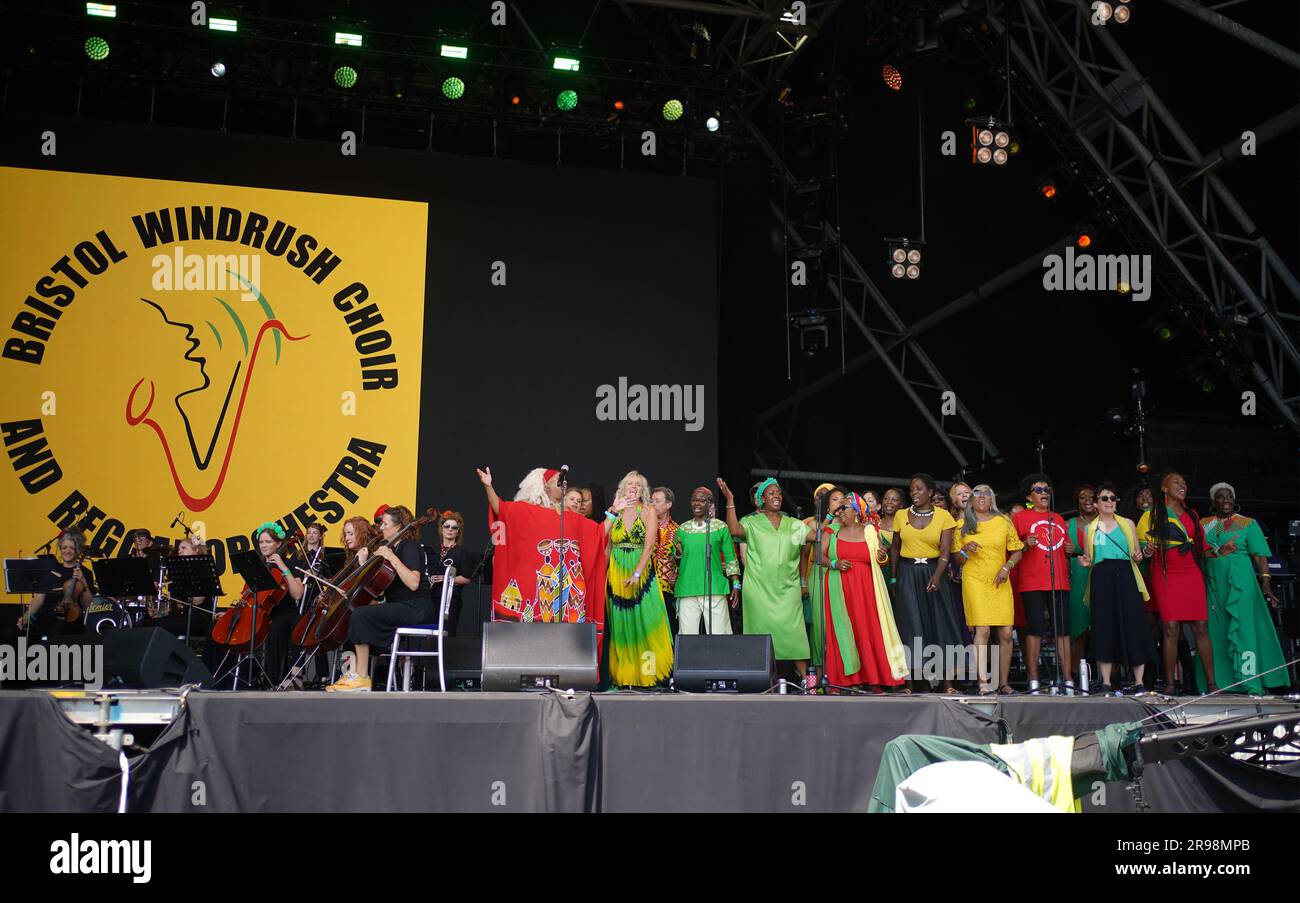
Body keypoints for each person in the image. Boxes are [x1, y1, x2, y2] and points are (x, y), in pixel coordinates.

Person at [477, 466, 608, 631]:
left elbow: (597, 533)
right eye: (559, 480)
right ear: (545, 484)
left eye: (565, 481)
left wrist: (614, 512)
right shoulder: (527, 509)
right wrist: (488, 486)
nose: (564, 483)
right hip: (531, 580)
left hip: (562, 584)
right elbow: (501, 509)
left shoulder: (570, 517)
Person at [718, 477, 814, 681]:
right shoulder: (751, 523)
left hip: (788, 590)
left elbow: (817, 536)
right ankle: (761, 680)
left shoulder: (793, 524)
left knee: (794, 635)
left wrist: (831, 517)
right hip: (759, 590)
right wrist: (730, 500)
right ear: (761, 500)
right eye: (771, 493)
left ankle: (808, 681)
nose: (777, 496)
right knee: (762, 637)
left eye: (778, 493)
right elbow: (734, 530)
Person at [327, 506, 430, 693]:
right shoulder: (394, 548)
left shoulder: (409, 547)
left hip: (415, 607)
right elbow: (380, 592)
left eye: (385, 524)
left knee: (360, 615)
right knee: (354, 614)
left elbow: (414, 583)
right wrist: (363, 565)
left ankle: (362, 678)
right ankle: (353, 674)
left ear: (398, 527)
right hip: (399, 605)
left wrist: (391, 557)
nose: (381, 528)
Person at [1198, 483, 1288, 695]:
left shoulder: (1247, 523)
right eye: (1221, 497)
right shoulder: (1206, 524)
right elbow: (1201, 552)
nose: (1226, 500)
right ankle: (1220, 683)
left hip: (1242, 583)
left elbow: (1260, 556)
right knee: (1217, 632)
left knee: (1244, 630)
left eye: (1230, 496)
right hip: (1214, 584)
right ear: (1213, 502)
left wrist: (1265, 584)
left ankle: (1249, 681)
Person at [1137, 471, 1218, 695]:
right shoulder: (1152, 514)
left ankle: (1212, 685)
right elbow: (1142, 547)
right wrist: (1148, 549)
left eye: (1184, 482)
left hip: (1191, 572)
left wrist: (1219, 552)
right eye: (1176, 482)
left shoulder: (1192, 514)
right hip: (1166, 574)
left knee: (1200, 626)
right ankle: (1171, 684)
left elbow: (1201, 548)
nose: (1182, 485)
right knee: (1171, 628)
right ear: (1164, 488)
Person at [818, 493, 907, 691]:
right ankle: (843, 681)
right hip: (839, 587)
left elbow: (880, 560)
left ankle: (875, 679)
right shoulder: (831, 531)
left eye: (845, 508)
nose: (840, 512)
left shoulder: (870, 531)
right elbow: (818, 557)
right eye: (839, 509)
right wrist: (834, 563)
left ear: (857, 512)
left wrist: (882, 555)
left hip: (866, 589)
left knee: (868, 629)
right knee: (843, 632)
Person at [889, 474, 964, 693]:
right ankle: (910, 684)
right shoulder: (901, 515)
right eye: (912, 489)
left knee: (941, 623)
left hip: (934, 571)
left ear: (930, 492)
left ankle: (948, 684)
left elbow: (945, 551)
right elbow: (895, 547)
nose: (914, 493)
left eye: (919, 489)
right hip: (907, 572)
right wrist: (893, 577)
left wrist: (938, 576)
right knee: (910, 626)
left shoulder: (943, 516)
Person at [603, 471, 673, 687]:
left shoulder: (648, 510)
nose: (633, 487)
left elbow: (650, 545)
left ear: (643, 491)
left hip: (640, 573)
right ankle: (625, 678)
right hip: (616, 573)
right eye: (629, 484)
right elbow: (605, 545)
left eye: (638, 485)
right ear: (622, 488)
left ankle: (648, 676)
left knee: (645, 625)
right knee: (621, 629)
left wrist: (637, 573)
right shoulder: (615, 511)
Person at [1078, 483, 1150, 693]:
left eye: (1113, 498)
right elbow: (1090, 559)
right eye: (1105, 498)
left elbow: (1136, 553)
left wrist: (1139, 555)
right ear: (1097, 504)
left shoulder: (1128, 523)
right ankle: (1107, 682)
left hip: (1126, 575)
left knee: (1133, 624)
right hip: (1102, 577)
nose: (1110, 501)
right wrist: (1085, 562)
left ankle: (1139, 682)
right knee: (1103, 626)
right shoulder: (1090, 528)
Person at [955, 485, 1023, 695]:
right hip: (974, 579)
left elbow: (1017, 551)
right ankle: (983, 682)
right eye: (977, 493)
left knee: (1005, 633)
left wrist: (1007, 567)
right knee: (982, 630)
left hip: (1000, 580)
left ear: (991, 499)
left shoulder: (1003, 521)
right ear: (971, 500)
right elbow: (957, 560)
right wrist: (965, 550)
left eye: (986, 494)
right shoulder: (961, 524)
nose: (981, 496)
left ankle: (1003, 683)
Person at [1012, 474, 1075, 694]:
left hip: (1058, 580)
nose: (1044, 493)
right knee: (1035, 630)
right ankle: (1034, 680)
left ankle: (1067, 680)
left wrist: (1070, 550)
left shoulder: (1057, 518)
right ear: (1029, 496)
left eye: (1046, 489)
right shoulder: (1020, 518)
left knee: (1062, 630)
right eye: (1038, 490)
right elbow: (1011, 550)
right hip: (1032, 581)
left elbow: (1064, 546)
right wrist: (1023, 544)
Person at [673, 486, 740, 635]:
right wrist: (677, 555)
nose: (697, 503)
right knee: (687, 635)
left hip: (714, 587)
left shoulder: (720, 527)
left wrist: (736, 584)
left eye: (702, 500)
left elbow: (730, 558)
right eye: (694, 500)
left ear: (710, 504)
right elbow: (676, 562)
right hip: (687, 587)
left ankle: (721, 659)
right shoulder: (682, 529)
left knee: (719, 634)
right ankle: (690, 660)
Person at [253, 522, 306, 687]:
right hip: (261, 611)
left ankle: (274, 678)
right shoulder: (257, 565)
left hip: (285, 612)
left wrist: (283, 567)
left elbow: (297, 594)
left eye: (268, 542)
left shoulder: (289, 564)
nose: (264, 545)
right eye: (261, 542)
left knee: (277, 625)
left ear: (278, 544)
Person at [803, 484, 846, 669]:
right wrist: (803, 582)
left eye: (842, 499)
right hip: (819, 575)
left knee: (840, 622)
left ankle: (841, 670)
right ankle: (819, 671)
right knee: (819, 625)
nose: (839, 503)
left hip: (841, 575)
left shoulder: (848, 524)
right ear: (827, 504)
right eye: (835, 499)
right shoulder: (812, 524)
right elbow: (811, 545)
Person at [20, 531, 93, 639]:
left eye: (72, 548)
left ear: (77, 550)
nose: (67, 551)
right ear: (60, 548)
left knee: (62, 628)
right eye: (64, 547)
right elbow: (38, 599)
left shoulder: (85, 573)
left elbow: (88, 605)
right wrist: (26, 618)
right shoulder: (51, 569)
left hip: (70, 623)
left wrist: (84, 582)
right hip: (47, 620)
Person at [1066, 485, 1098, 689]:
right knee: (1078, 628)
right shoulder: (1068, 524)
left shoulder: (1106, 523)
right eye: (1082, 497)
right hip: (1077, 574)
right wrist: (1065, 551)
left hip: (1100, 573)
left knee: (1102, 626)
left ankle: (1106, 675)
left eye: (1091, 497)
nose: (1087, 500)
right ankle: (1077, 675)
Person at [430, 509, 471, 634]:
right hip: (431, 598)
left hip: (451, 600)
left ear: (458, 532)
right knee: (430, 634)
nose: (450, 529)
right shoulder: (433, 550)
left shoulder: (460, 552)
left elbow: (467, 578)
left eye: (454, 527)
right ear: (441, 529)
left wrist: (446, 579)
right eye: (446, 526)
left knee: (447, 633)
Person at [650, 486, 679, 636]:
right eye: (651, 501)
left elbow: (683, 558)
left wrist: (678, 575)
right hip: (648, 588)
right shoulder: (644, 527)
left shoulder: (678, 530)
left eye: (657, 501)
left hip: (668, 589)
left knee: (670, 630)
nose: (652, 504)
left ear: (668, 505)